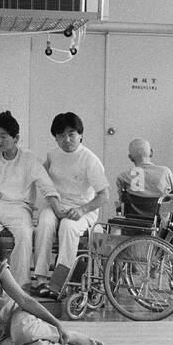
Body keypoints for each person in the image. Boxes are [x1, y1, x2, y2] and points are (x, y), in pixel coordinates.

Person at [0, 110, 58, 285]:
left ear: (16, 139)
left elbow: (46, 185)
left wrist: (58, 208)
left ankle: (20, 285)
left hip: (18, 208)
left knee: (24, 235)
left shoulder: (29, 158)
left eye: (4, 136)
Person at [32, 113, 111, 298]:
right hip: (57, 204)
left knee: (67, 227)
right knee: (44, 223)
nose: (66, 140)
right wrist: (53, 202)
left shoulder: (90, 159)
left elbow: (104, 195)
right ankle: (41, 279)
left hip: (83, 208)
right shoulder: (52, 154)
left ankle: (59, 283)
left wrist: (82, 210)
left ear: (80, 135)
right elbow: (41, 178)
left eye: (71, 134)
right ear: (55, 137)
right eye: (61, 135)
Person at [114, 138, 173, 222]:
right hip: (160, 224)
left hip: (133, 223)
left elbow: (121, 202)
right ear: (151, 152)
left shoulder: (123, 177)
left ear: (130, 157)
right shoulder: (165, 172)